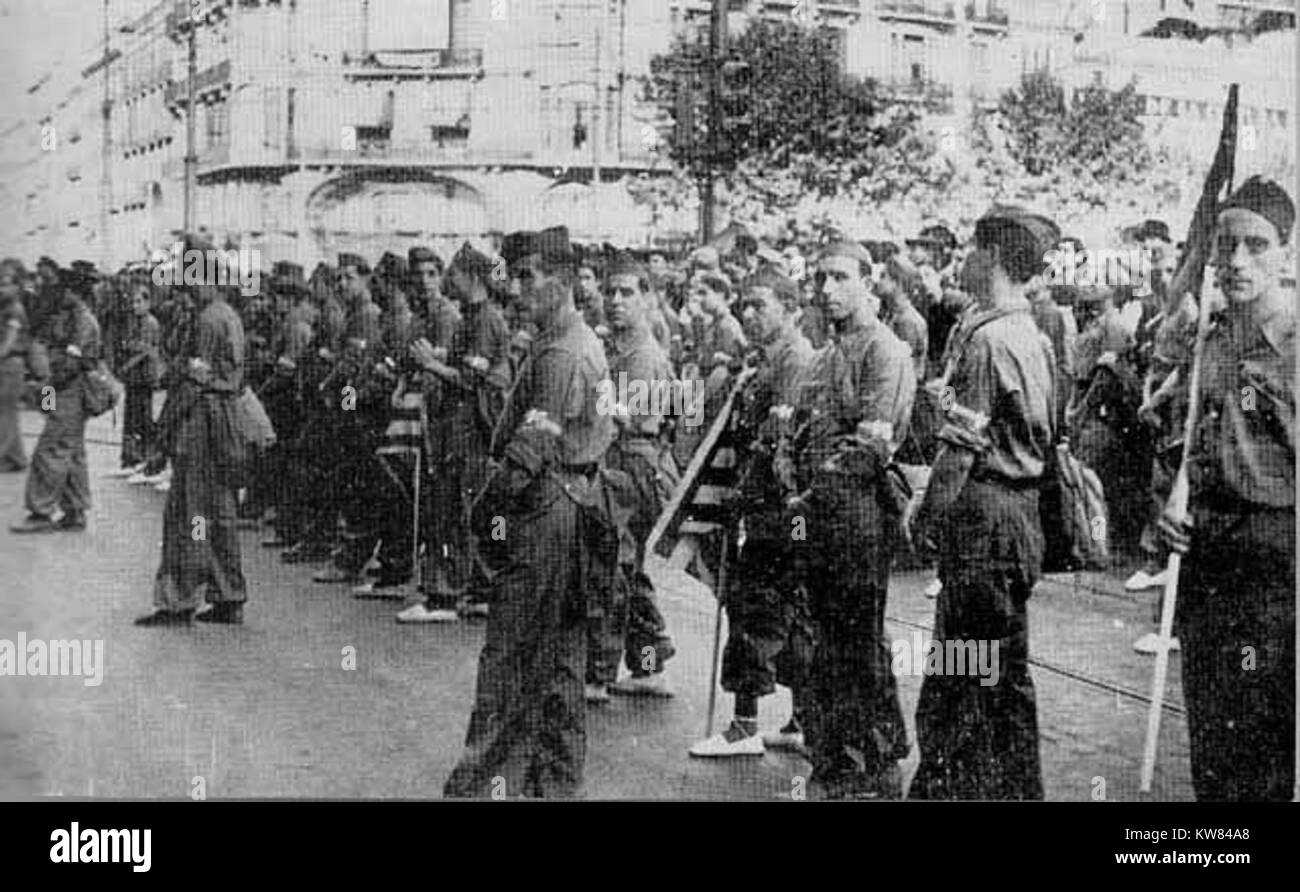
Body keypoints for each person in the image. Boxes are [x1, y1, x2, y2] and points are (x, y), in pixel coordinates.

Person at [443, 226, 616, 798]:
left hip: (548, 510)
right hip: (561, 507)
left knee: (511, 656)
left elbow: (528, 450)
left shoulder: (565, 351)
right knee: (557, 662)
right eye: (513, 276)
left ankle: (486, 785)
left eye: (528, 277)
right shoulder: (554, 341)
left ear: (561, 282)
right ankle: (554, 785)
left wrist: (485, 510)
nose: (516, 289)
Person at [908, 206, 1059, 800]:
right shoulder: (1029, 335)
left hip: (985, 520)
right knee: (1002, 682)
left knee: (962, 681)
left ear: (992, 257)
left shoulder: (992, 340)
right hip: (1014, 520)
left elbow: (959, 452)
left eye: (972, 249)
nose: (962, 260)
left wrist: (924, 518)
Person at [1159, 177, 1295, 801]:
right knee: (1212, 726)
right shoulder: (1211, 341)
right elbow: (1193, 442)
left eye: (1257, 245)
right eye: (1227, 244)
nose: (1237, 260)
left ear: (1286, 253)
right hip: (1209, 553)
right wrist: (1174, 499)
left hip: (1272, 559)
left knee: (1262, 733)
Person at [787, 241, 916, 798]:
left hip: (858, 515)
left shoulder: (886, 352)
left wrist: (807, 495)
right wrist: (789, 473)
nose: (827, 289)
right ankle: (844, 755)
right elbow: (797, 430)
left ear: (871, 280)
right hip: (818, 514)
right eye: (821, 278)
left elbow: (870, 446)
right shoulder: (824, 354)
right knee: (827, 638)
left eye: (840, 277)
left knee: (856, 638)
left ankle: (874, 758)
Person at [689, 273, 816, 757]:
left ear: (789, 307)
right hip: (767, 504)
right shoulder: (764, 359)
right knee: (780, 613)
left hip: (772, 506)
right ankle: (799, 720)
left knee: (757, 613)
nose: (748, 314)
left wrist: (742, 496)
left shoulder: (794, 360)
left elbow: (776, 442)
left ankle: (744, 727)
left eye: (759, 305)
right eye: (744, 305)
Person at [587, 254, 678, 700]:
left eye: (627, 293)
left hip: (633, 465)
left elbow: (641, 420)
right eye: (610, 292)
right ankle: (649, 661)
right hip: (620, 461)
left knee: (612, 566)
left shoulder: (643, 355)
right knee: (629, 568)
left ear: (647, 298)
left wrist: (600, 398)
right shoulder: (617, 349)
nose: (616, 301)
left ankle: (599, 671)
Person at [135, 279, 247, 626]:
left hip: (200, 426)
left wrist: (161, 431)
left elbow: (191, 385)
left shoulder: (208, 321)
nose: (185, 292)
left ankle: (179, 599)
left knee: (189, 514)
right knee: (218, 513)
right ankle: (227, 595)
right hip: (222, 423)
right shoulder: (228, 315)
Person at [11, 268, 102, 534]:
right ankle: (75, 510)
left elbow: (68, 366)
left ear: (75, 293)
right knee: (72, 451)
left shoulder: (83, 322)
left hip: (71, 392)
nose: (62, 294)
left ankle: (40, 511)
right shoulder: (72, 317)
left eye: (65, 290)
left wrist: (46, 387)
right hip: (64, 391)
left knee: (49, 451)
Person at [111, 280, 162, 477]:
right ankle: (132, 458)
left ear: (148, 302)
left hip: (143, 377)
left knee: (142, 419)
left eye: (139, 302)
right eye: (133, 302)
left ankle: (145, 459)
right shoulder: (136, 322)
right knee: (132, 418)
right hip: (135, 377)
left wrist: (124, 367)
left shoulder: (150, 323)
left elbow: (143, 351)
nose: (135, 306)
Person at [0, 260, 29, 473]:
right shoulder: (7, 307)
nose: (2, 288)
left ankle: (5, 456)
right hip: (7, 364)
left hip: (11, 364)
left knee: (6, 412)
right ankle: (17, 457)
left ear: (18, 286)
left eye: (7, 284)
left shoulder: (15, 310)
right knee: (8, 412)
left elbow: (9, 342)